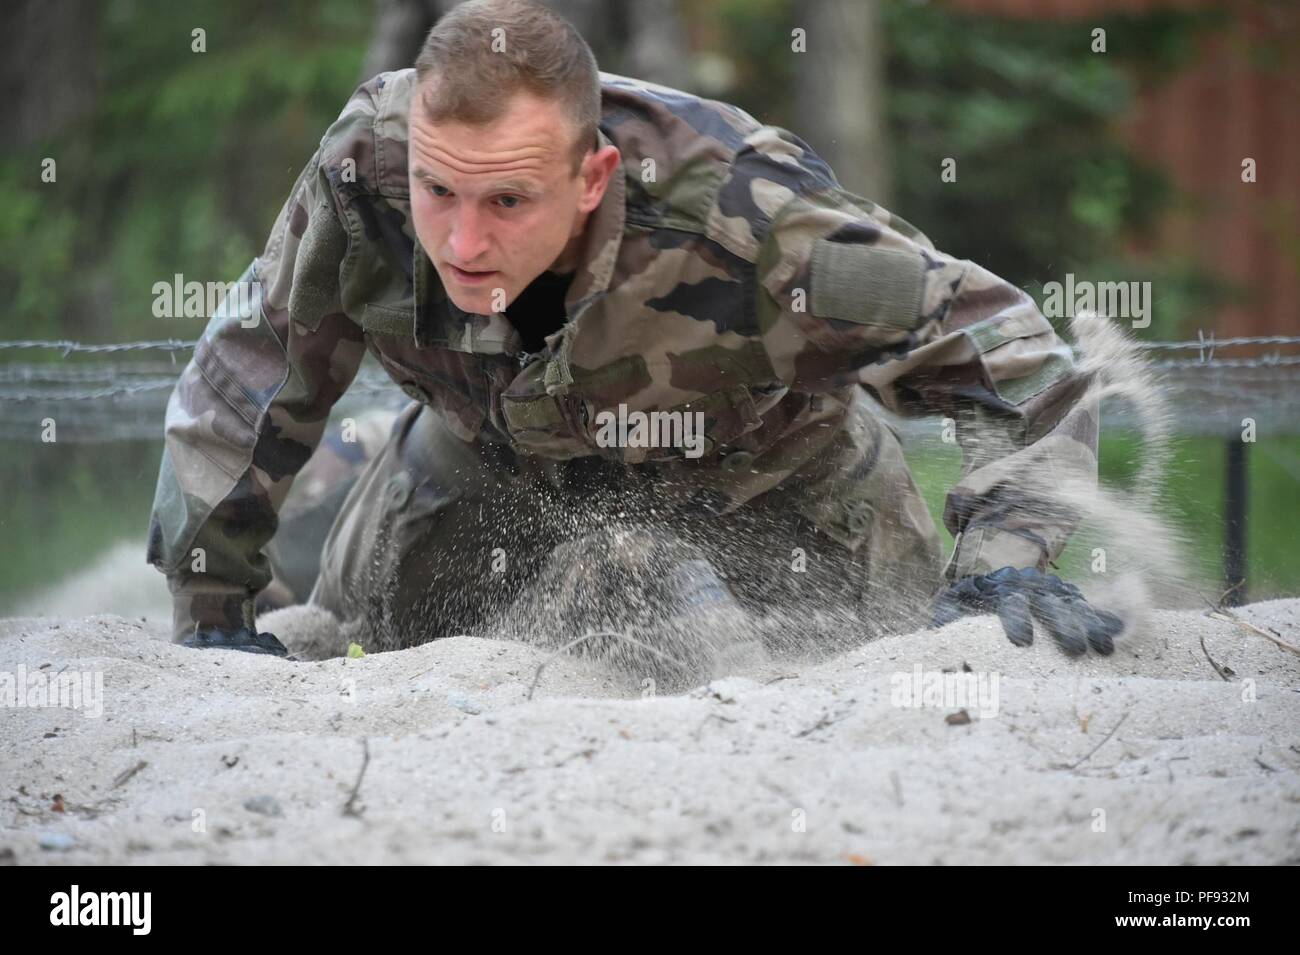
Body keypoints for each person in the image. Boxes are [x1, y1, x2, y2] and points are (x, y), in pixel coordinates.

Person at [147, 0, 1121, 665]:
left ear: (593, 179)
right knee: (354, 636)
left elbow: (1013, 356)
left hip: (777, 490)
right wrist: (214, 612)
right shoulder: (363, 175)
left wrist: (1004, 561)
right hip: (487, 465)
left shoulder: (754, 222)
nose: (461, 239)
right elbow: (249, 376)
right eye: (437, 190)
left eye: (508, 200)